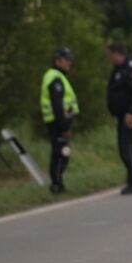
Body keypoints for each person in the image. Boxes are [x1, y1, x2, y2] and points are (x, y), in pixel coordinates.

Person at [106, 42, 132, 195]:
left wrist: (131, 112)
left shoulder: (131, 67)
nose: (110, 58)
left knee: (127, 148)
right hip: (122, 115)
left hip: (131, 115)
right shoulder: (118, 69)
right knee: (124, 148)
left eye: (111, 55)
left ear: (117, 53)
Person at [41, 47, 79, 194]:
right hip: (57, 123)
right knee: (60, 153)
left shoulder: (58, 76)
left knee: (62, 153)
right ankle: (56, 185)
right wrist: (64, 127)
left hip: (59, 122)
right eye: (66, 59)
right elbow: (57, 106)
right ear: (58, 61)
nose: (70, 62)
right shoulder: (54, 78)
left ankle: (59, 183)